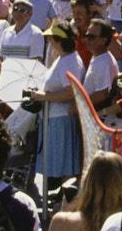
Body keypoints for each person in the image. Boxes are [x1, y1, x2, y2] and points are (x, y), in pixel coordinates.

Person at [28, 22, 86, 195]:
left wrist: (43, 97)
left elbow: (70, 93)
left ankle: (67, 199)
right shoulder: (62, 58)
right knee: (59, 161)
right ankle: (63, 198)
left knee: (65, 163)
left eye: (52, 39)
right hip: (53, 117)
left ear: (58, 40)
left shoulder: (70, 61)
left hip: (62, 118)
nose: (50, 42)